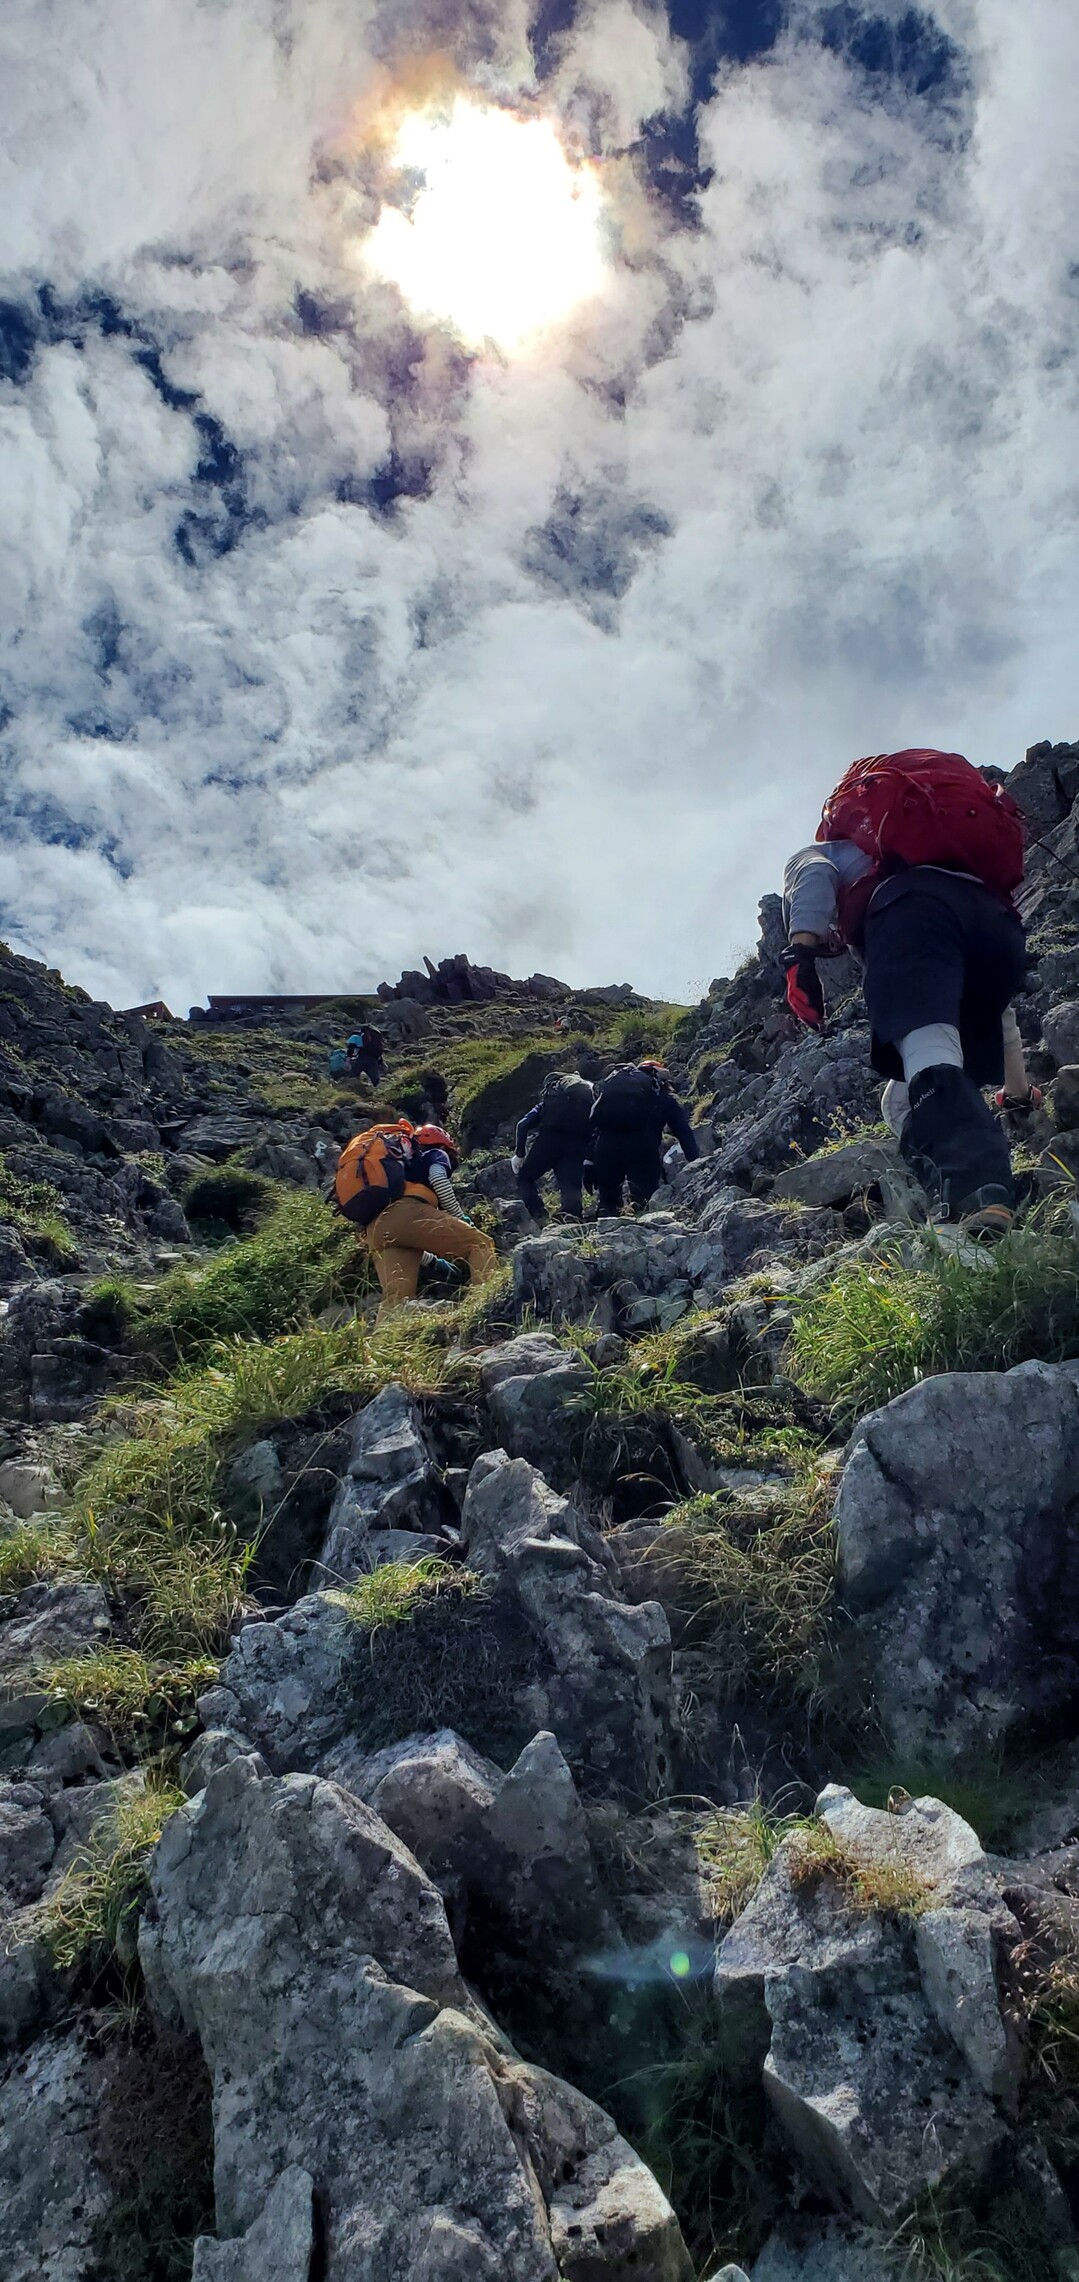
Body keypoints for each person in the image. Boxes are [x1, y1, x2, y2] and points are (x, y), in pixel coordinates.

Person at [782, 747, 1028, 1234]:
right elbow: (1000, 1015)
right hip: (1000, 927)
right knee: (901, 1098)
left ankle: (975, 1193)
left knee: (928, 1050)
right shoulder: (959, 859)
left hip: (915, 916)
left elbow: (812, 875)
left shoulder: (840, 847)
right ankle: (966, 1185)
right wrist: (1017, 1092)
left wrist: (800, 954)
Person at [361, 1122, 498, 1317]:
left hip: (376, 1229)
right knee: (480, 1244)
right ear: (443, 1146)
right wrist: (461, 1218)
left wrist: (433, 1261)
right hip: (407, 1212)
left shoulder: (401, 1166)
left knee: (396, 1298)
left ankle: (384, 1345)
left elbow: (409, 1238)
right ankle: (485, 1312)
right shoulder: (435, 1153)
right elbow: (438, 1180)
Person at [588, 1060, 699, 1216]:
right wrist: (696, 1161)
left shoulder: (612, 1093)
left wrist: (589, 1162)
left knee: (608, 1203)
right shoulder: (660, 1094)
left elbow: (595, 1128)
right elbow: (682, 1130)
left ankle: (602, 1234)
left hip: (606, 1148)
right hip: (642, 1149)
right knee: (644, 1202)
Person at [513, 1071, 595, 1222]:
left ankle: (538, 1214)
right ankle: (572, 1217)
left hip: (549, 1140)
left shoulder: (549, 1101)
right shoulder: (586, 1100)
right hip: (579, 1142)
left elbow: (523, 1125)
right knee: (570, 1184)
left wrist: (519, 1154)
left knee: (525, 1177)